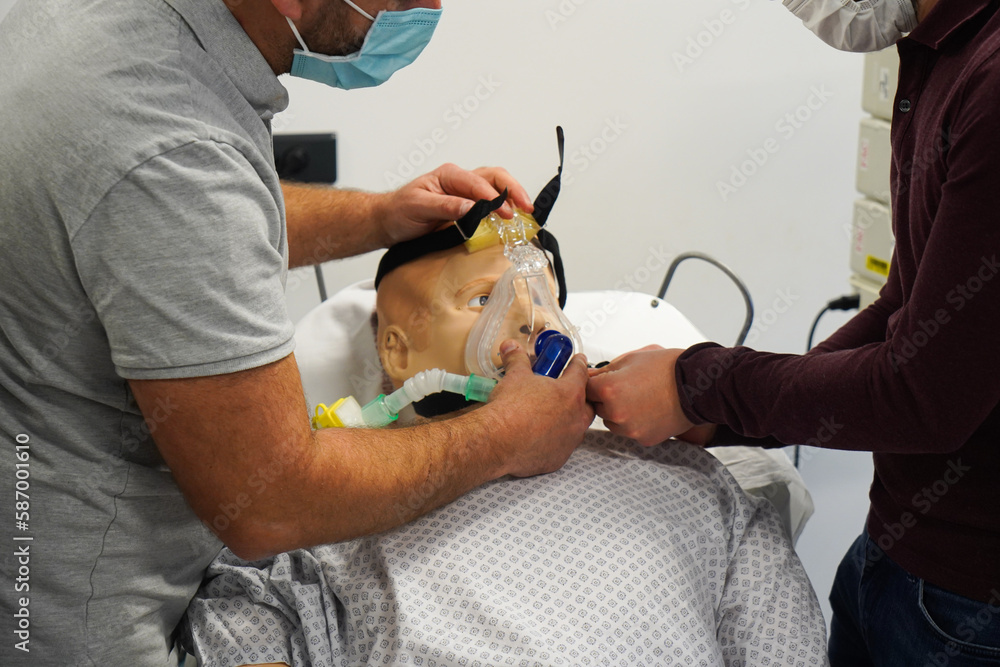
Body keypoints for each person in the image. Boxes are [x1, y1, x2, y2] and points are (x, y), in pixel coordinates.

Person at [0, 1, 593, 664]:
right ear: (394, 347)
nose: (429, 11)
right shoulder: (169, 141)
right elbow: (270, 503)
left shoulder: (111, 36)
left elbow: (189, 216)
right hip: (76, 620)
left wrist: (379, 216)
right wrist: (506, 436)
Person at [181, 224, 830, 667]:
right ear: (397, 351)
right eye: (481, 297)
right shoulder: (330, 502)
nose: (527, 314)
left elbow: (781, 640)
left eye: (543, 295)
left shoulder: (689, 479)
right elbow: (244, 612)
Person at [589, 0, 1000, 665]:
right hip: (895, 559)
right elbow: (905, 309)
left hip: (969, 610)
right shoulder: (937, 47)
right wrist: (716, 415)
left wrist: (700, 385)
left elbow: (928, 395)